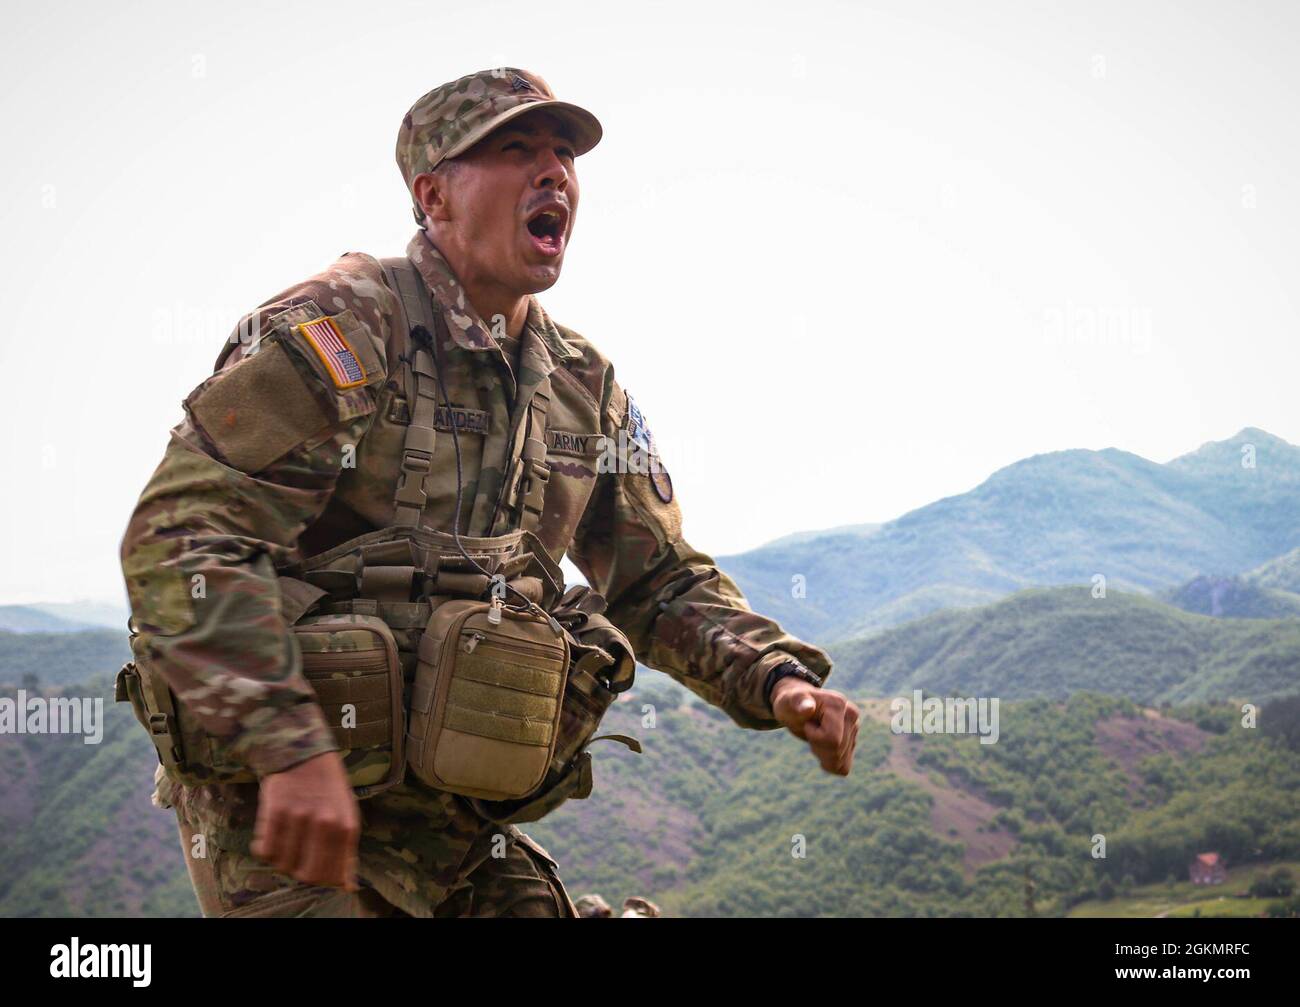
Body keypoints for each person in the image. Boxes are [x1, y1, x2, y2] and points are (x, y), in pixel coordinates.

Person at [120, 67, 860, 918]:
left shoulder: (583, 383)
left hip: (458, 819)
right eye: (516, 150)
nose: (554, 173)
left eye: (564, 155)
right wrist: (289, 750)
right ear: (433, 195)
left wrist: (774, 680)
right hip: (284, 817)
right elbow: (182, 539)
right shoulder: (346, 325)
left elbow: (656, 583)